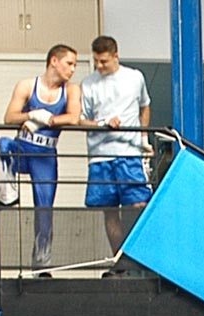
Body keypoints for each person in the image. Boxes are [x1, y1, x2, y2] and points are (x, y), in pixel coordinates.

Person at [0, 44, 82, 270]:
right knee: (2, 144)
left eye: (75, 65)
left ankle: (42, 265)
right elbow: (9, 116)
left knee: (44, 211)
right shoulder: (27, 85)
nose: (73, 69)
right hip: (24, 148)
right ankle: (7, 192)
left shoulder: (71, 90)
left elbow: (73, 117)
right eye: (69, 63)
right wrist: (31, 113)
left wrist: (47, 120)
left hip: (45, 154)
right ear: (54, 60)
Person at [78, 36, 152, 264]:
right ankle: (120, 263)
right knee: (109, 210)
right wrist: (103, 123)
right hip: (100, 157)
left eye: (104, 61)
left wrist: (143, 137)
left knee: (139, 205)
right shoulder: (88, 83)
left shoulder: (134, 77)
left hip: (129, 154)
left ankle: (143, 259)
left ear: (116, 56)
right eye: (96, 61)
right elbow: (81, 120)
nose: (99, 66)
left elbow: (145, 106)